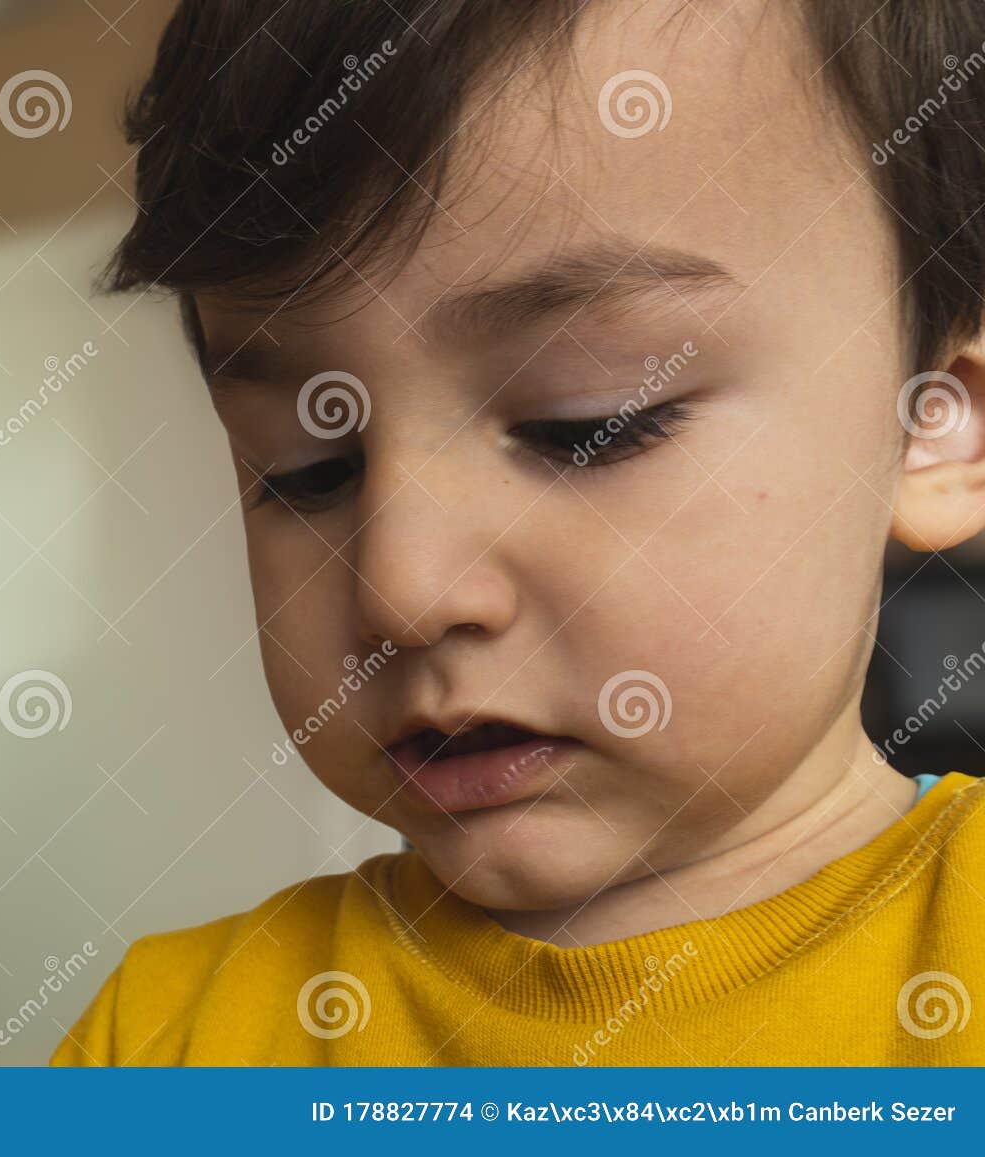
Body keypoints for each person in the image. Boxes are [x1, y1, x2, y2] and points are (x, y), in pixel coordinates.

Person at [51, 0, 985, 1065]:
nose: (401, 589)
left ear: (933, 430)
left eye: (586, 426)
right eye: (306, 469)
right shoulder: (168, 1041)